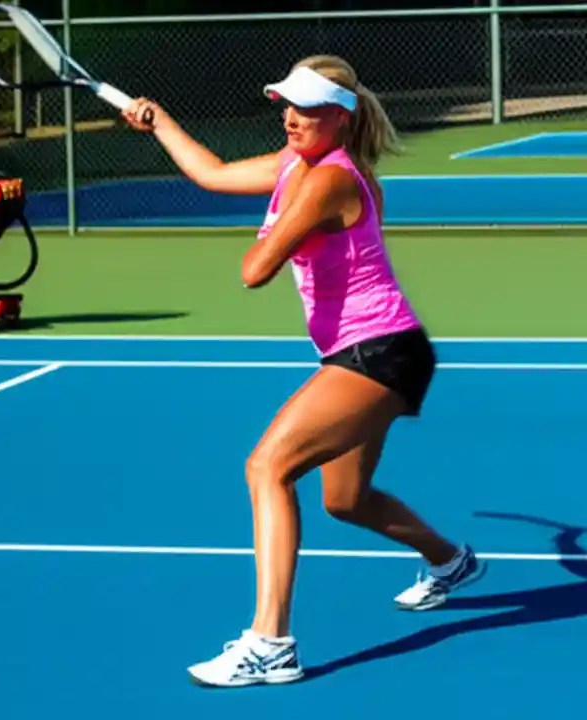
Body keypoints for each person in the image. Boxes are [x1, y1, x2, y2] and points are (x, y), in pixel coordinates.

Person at [120, 55, 486, 688]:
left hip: (378, 352)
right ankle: (450, 561)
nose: (291, 116)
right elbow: (212, 174)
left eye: (308, 107)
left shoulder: (329, 181)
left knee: (267, 466)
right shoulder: (298, 166)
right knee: (344, 500)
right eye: (286, 103)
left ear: (340, 119)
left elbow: (255, 270)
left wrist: (270, 231)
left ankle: (271, 642)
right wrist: (160, 123)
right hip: (375, 352)